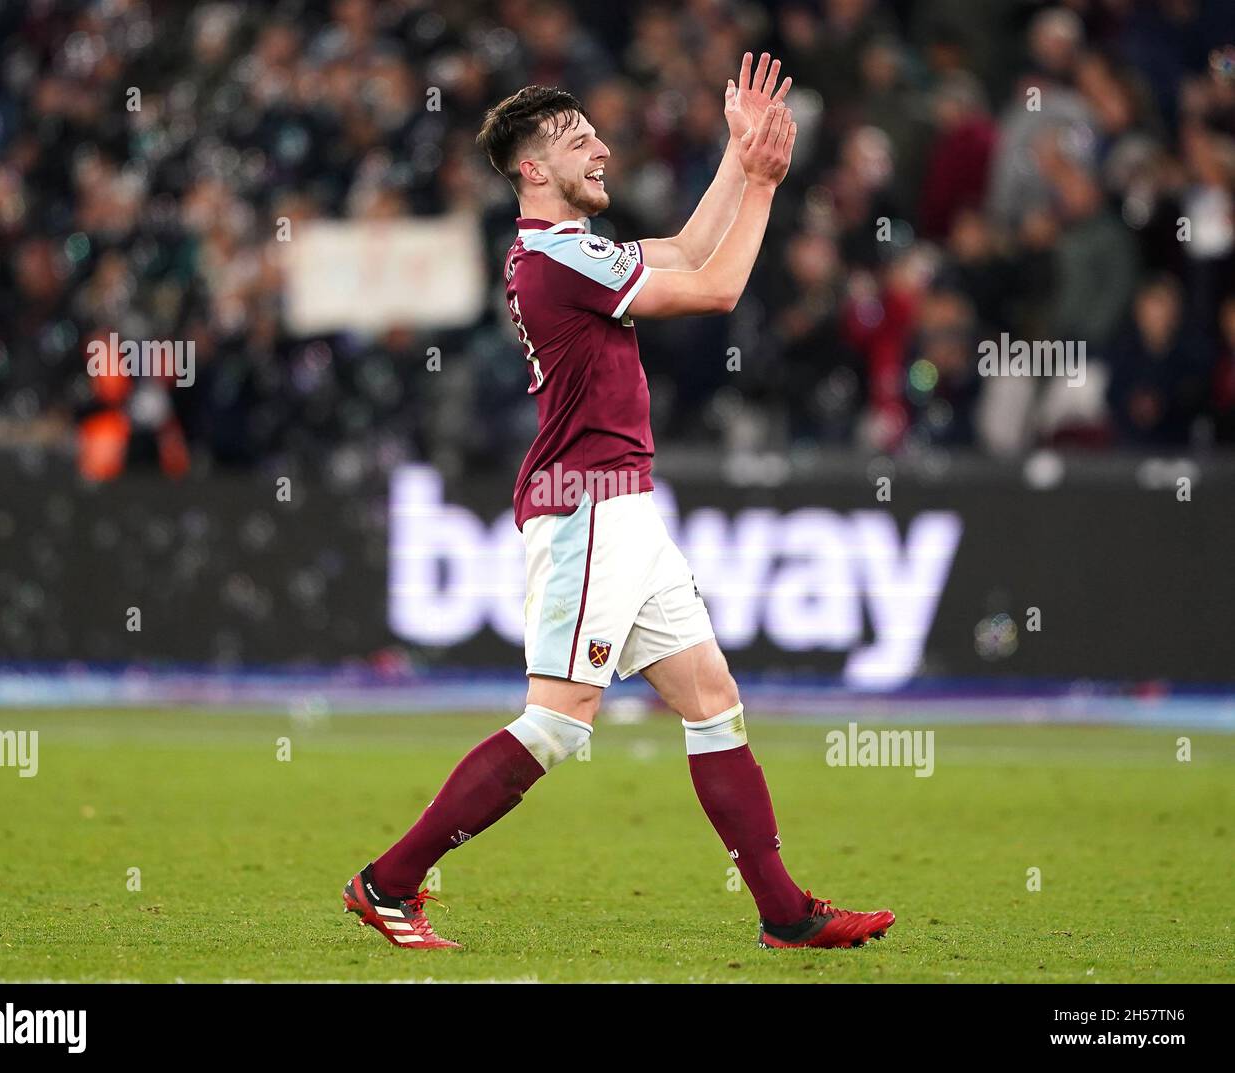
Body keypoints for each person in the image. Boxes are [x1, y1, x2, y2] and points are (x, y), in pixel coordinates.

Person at [343, 54, 895, 951]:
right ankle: (387, 881)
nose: (600, 147)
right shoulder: (557, 260)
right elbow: (715, 287)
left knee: (713, 700)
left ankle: (784, 913)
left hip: (623, 505)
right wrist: (759, 185)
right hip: (586, 507)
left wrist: (735, 152)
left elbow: (683, 250)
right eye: (576, 139)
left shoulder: (566, 253)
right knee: (557, 723)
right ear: (532, 168)